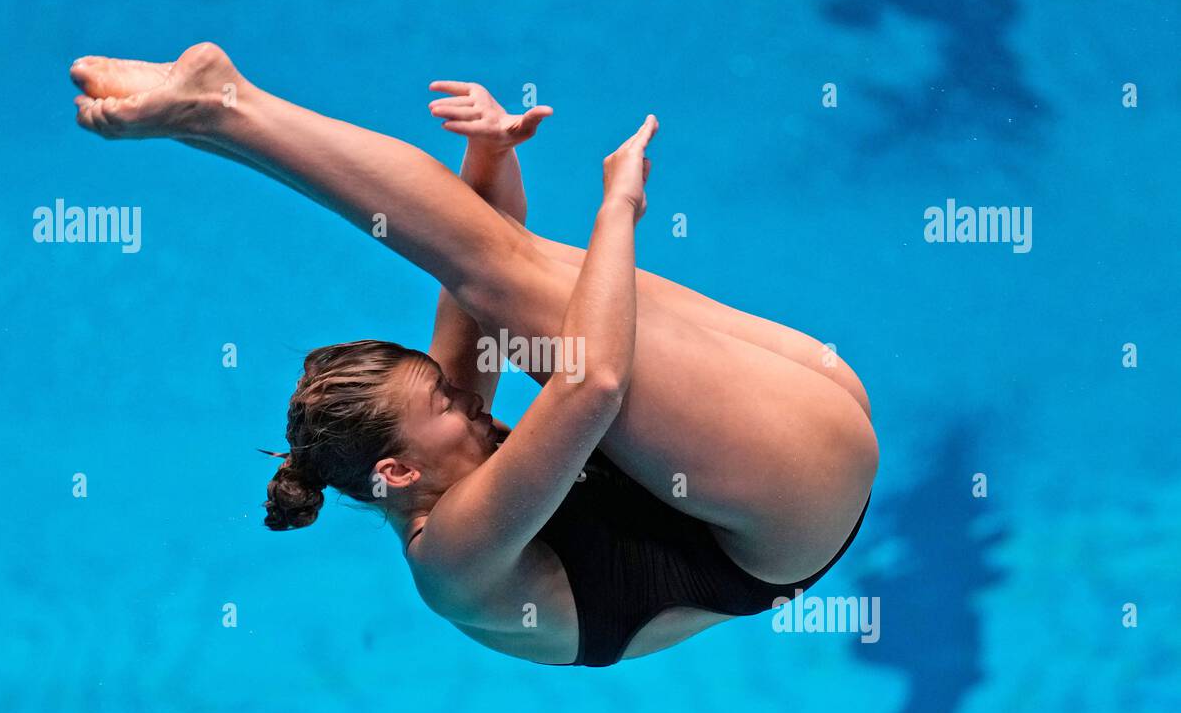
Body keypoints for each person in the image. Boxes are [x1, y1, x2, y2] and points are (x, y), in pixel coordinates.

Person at [70, 43, 878, 667]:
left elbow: (479, 277)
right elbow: (590, 384)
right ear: (396, 473)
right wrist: (619, 208)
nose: (474, 400)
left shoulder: (434, 458)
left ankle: (210, 113)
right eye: (447, 406)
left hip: (789, 432)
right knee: (515, 282)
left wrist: (490, 157)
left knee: (500, 266)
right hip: (789, 508)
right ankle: (221, 106)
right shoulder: (452, 559)